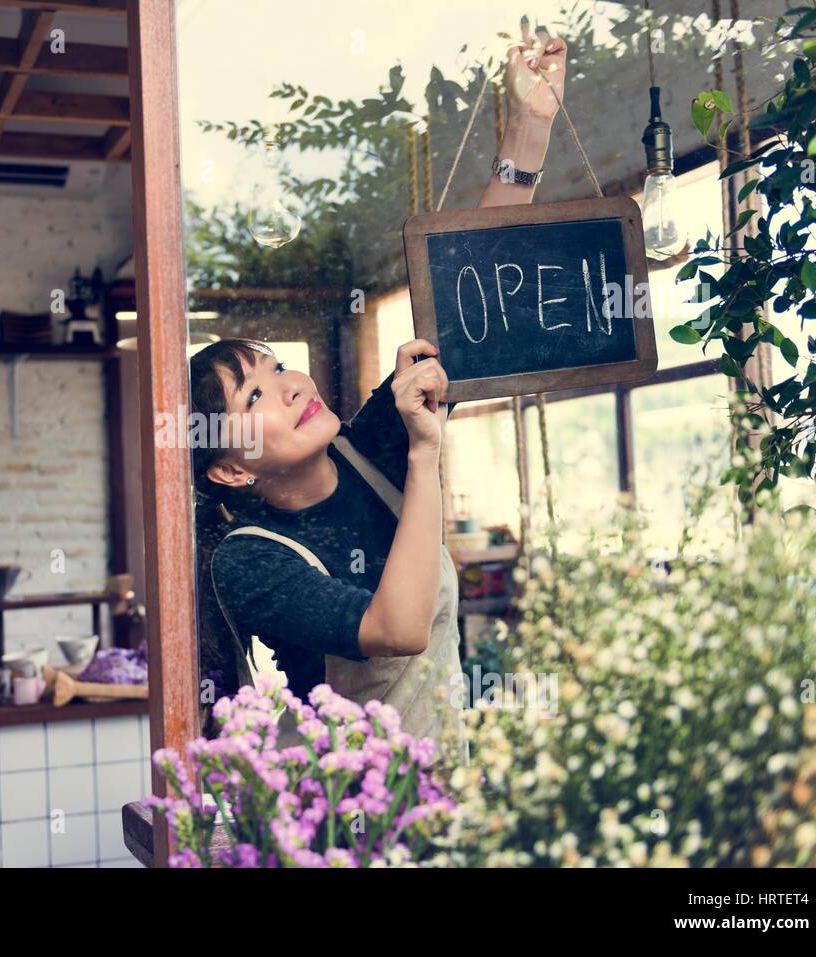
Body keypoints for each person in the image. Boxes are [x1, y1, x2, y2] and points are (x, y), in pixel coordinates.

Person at [190, 24, 569, 751]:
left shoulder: (369, 444)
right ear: (231, 467)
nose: (291, 383)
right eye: (255, 395)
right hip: (352, 819)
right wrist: (425, 456)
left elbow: (468, 299)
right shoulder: (250, 556)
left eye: (276, 367)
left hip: (448, 778)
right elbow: (394, 630)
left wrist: (529, 127)